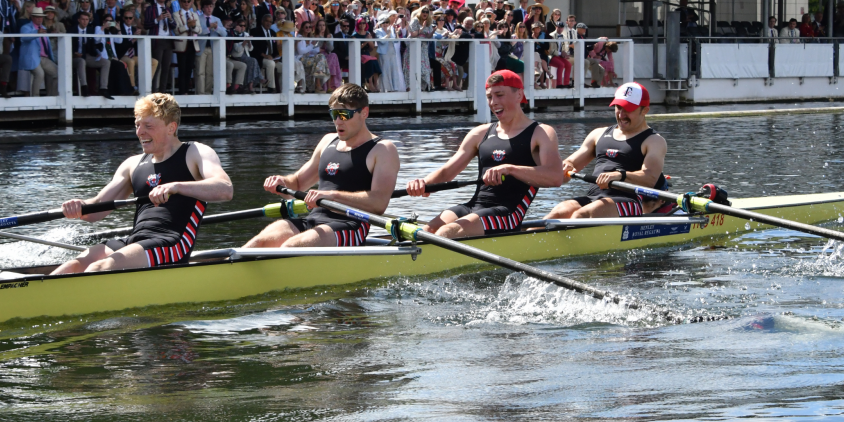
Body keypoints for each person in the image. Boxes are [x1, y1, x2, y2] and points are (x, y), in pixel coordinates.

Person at [51, 93, 233, 274]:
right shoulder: (133, 164)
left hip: (172, 243)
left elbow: (225, 189)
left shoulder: (195, 152)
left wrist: (176, 186)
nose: (140, 132)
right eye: (137, 125)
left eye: (148, 126)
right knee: (72, 267)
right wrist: (79, 206)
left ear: (171, 128)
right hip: (135, 241)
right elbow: (97, 208)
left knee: (98, 268)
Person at [405, 70, 561, 238]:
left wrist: (510, 169)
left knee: (445, 233)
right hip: (474, 207)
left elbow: (555, 177)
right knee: (425, 232)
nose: (493, 102)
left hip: (507, 214)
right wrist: (424, 183)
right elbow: (447, 172)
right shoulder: (479, 133)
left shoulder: (541, 133)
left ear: (519, 95)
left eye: (499, 95)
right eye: (489, 97)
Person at [244, 84, 400, 248]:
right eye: (334, 114)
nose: (338, 121)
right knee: (257, 243)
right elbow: (298, 183)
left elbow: (378, 203)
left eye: (344, 115)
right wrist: (283, 182)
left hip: (350, 225)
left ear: (364, 113)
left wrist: (331, 196)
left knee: (290, 247)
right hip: (313, 219)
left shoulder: (383, 149)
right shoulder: (327, 141)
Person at [543, 82, 668, 220]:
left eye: (628, 109)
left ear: (644, 110)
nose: (621, 115)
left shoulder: (654, 141)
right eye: (618, 107)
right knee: (556, 214)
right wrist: (566, 167)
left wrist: (619, 175)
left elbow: (650, 178)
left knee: (581, 215)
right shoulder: (598, 134)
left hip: (628, 200)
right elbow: (572, 163)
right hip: (594, 198)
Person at [19, 8, 59, 97]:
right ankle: (35, 98)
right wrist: (36, 32)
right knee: (40, 74)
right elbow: (24, 38)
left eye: (41, 17)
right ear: (32, 17)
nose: (40, 19)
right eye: (37, 17)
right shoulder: (25, 27)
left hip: (44, 58)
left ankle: (52, 97)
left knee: (57, 73)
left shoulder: (43, 28)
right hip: (32, 57)